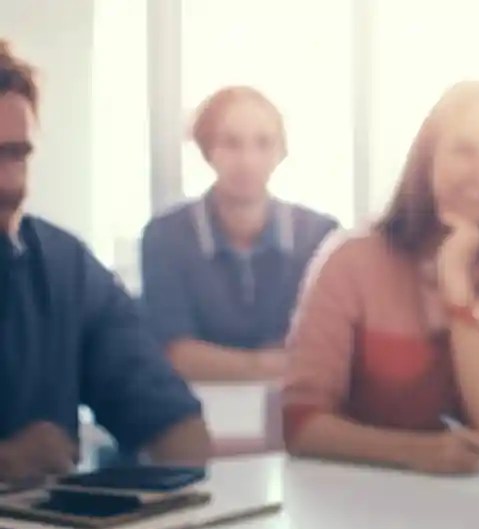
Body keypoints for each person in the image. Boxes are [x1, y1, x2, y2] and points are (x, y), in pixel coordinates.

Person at [283, 82, 479, 475]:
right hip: (352, 496)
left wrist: (456, 286)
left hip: (478, 506)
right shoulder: (350, 258)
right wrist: (414, 452)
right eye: (464, 150)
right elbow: (300, 424)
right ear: (427, 156)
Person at [0, 41, 209, 481]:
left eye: (16, 155)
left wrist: (180, 481)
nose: (8, 184)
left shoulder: (64, 267)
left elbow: (173, 424)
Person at [139, 86, 340, 382]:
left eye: (264, 143)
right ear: (207, 150)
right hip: (195, 408)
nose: (248, 160)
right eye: (231, 143)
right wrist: (272, 362)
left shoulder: (319, 235)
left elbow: (327, 354)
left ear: (281, 151)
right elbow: (176, 355)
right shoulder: (166, 236)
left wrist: (219, 360)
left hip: (292, 406)